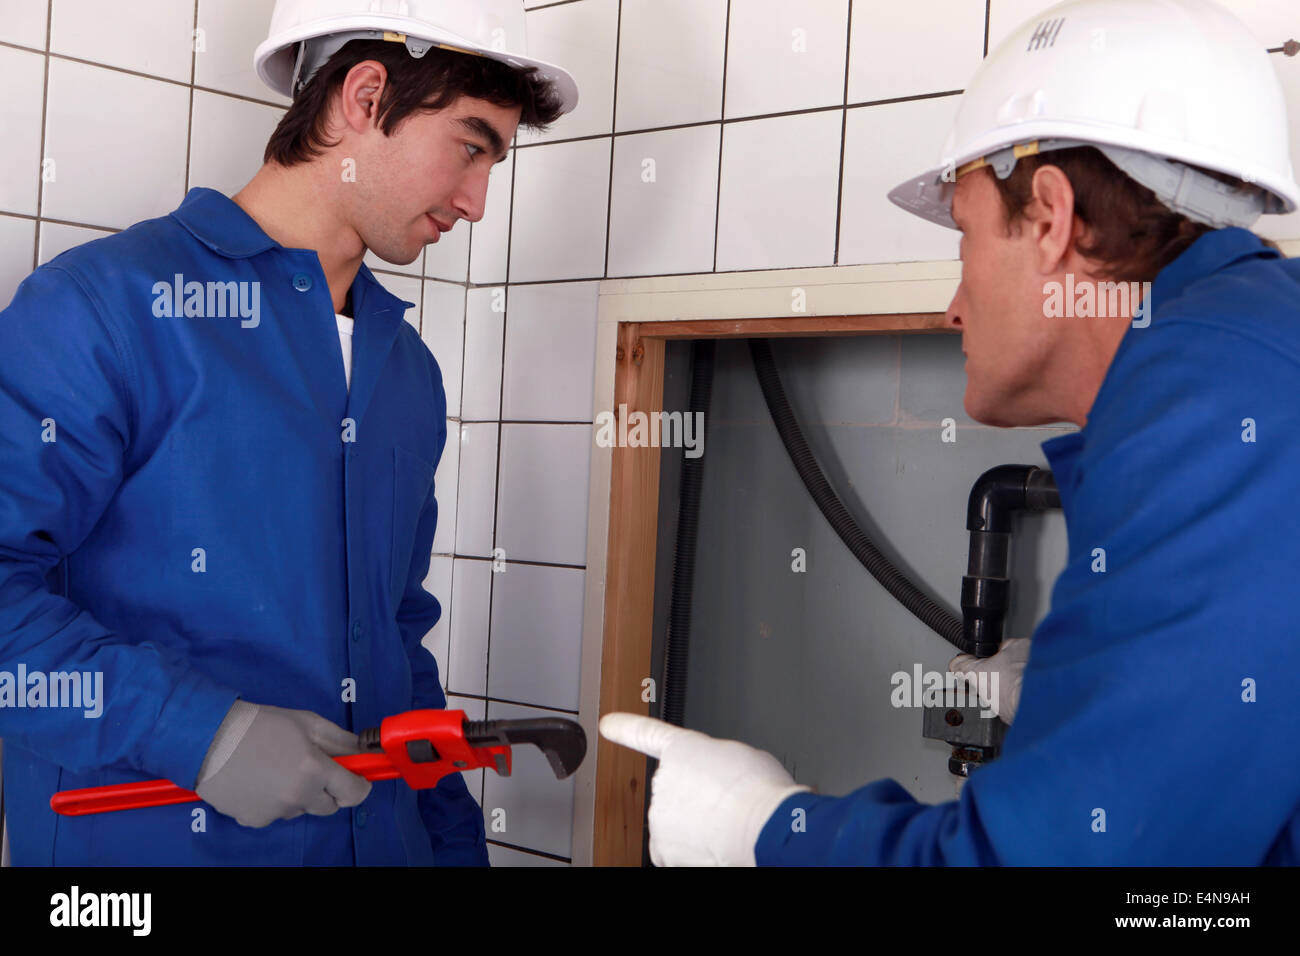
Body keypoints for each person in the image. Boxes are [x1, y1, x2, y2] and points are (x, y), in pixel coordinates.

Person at [601, 0, 1300, 865]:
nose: (953, 304)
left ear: (1049, 218)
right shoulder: (1245, 357)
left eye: (965, 237)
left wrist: (767, 828)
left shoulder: (1208, 400)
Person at [0, 0, 575, 865]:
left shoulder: (406, 371)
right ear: (366, 96)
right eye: (470, 146)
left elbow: (395, 635)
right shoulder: (105, 310)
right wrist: (197, 731)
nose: (476, 202)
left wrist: (454, 847)